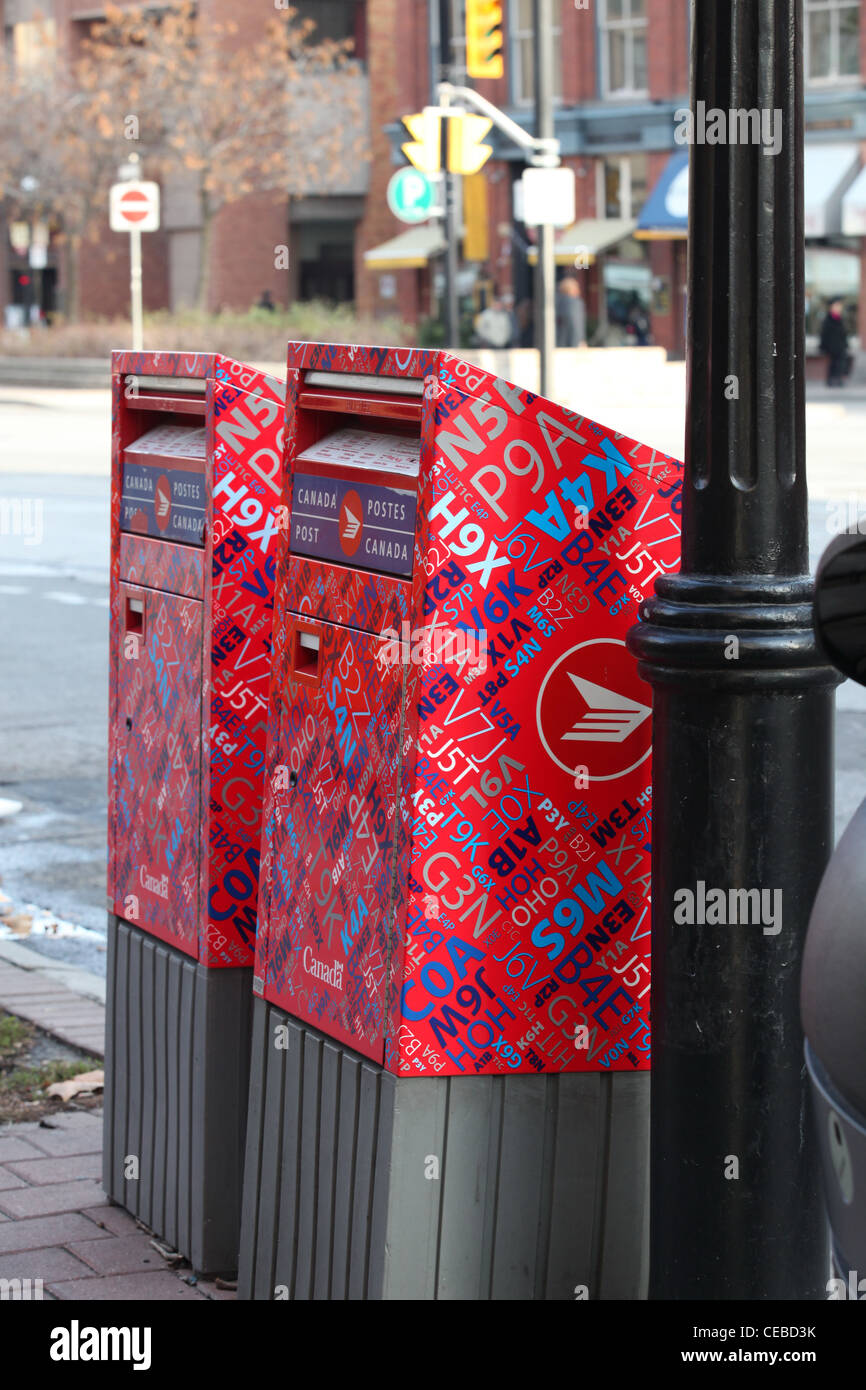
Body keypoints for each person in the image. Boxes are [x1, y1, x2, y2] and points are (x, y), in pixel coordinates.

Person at [820, 298, 849, 387]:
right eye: (836, 306)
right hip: (831, 347)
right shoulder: (828, 319)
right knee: (832, 364)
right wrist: (823, 346)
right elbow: (824, 334)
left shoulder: (840, 318)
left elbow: (844, 333)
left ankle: (838, 380)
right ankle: (831, 380)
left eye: (839, 306)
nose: (838, 308)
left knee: (840, 364)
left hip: (840, 347)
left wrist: (845, 344)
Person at [555, 274, 587, 347]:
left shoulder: (556, 302)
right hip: (571, 346)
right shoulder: (574, 303)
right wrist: (580, 342)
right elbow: (576, 324)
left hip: (556, 345)